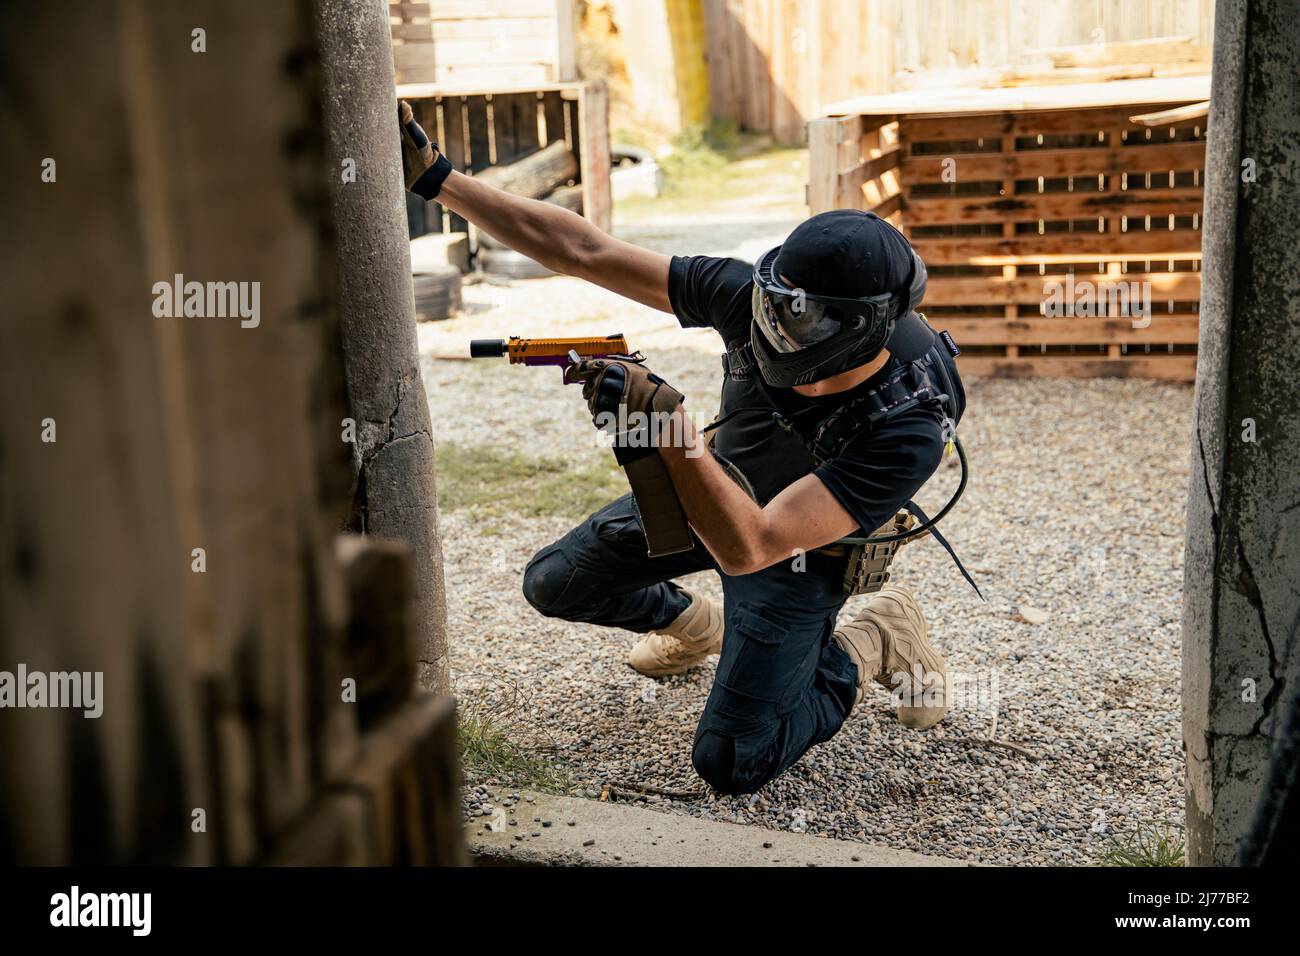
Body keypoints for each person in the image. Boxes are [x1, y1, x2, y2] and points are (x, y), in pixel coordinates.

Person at [399, 102, 966, 795]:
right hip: (715, 490)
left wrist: (667, 428)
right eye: (778, 309)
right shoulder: (752, 299)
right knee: (554, 582)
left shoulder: (909, 423)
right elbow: (585, 251)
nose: (782, 334)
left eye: (809, 324)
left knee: (734, 761)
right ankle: (700, 628)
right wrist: (438, 181)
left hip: (798, 548)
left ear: (870, 327)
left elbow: (753, 546)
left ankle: (873, 637)